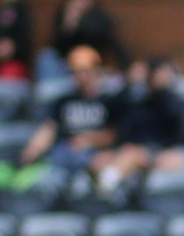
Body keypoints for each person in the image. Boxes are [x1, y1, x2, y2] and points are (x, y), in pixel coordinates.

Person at [17, 46, 124, 185]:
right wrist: (32, 151)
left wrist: (88, 140)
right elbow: (50, 128)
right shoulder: (64, 101)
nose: (80, 76)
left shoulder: (110, 102)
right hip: (64, 151)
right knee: (46, 175)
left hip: (94, 153)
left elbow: (115, 133)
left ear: (96, 71)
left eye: (85, 71)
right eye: (76, 72)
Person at [111, 57, 184, 177]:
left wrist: (163, 90)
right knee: (120, 156)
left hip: (164, 151)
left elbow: (176, 122)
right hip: (138, 149)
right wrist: (131, 84)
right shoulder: (138, 100)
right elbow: (116, 111)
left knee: (131, 156)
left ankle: (105, 187)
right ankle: (106, 186)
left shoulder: (173, 100)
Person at [42, 0, 127, 78]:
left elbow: (114, 43)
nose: (80, 0)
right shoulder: (63, 14)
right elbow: (56, 47)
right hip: (66, 67)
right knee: (46, 56)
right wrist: (67, 27)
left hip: (91, 67)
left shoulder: (100, 17)